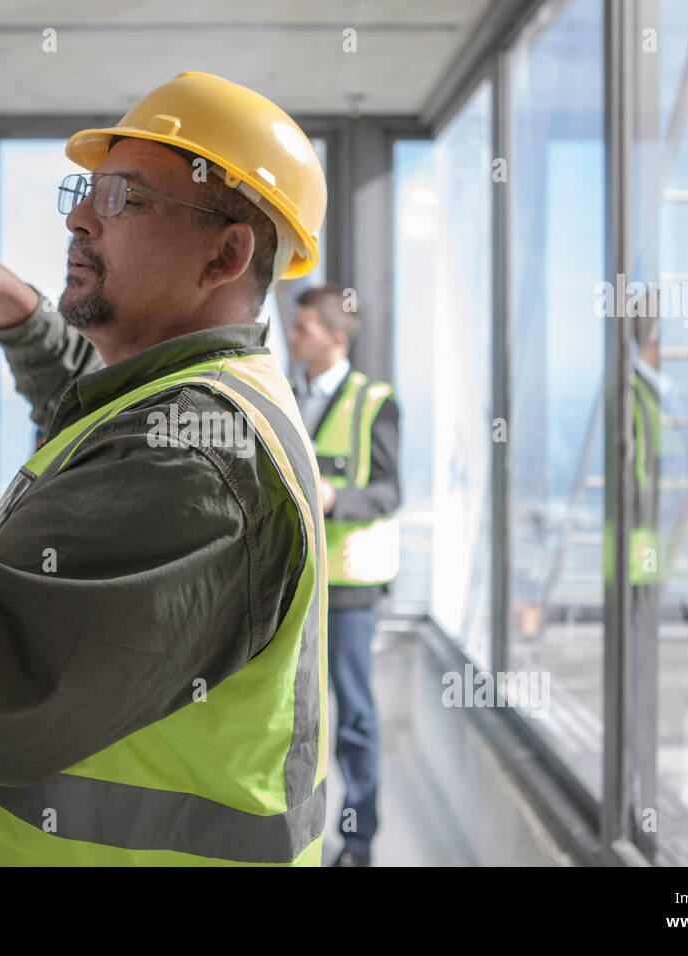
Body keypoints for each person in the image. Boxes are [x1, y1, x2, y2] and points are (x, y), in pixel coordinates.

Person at [0, 72, 333, 865]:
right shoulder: (198, 402)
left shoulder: (194, 459)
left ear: (226, 254)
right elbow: (96, 427)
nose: (81, 217)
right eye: (88, 189)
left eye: (125, 199)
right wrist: (8, 299)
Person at [286, 286, 401, 866]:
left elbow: (389, 492)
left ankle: (358, 844)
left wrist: (334, 498)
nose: (291, 336)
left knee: (352, 714)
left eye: (302, 328)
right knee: (298, 713)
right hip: (297, 582)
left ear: (335, 338)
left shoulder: (374, 401)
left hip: (350, 588)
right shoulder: (286, 393)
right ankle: (298, 837)